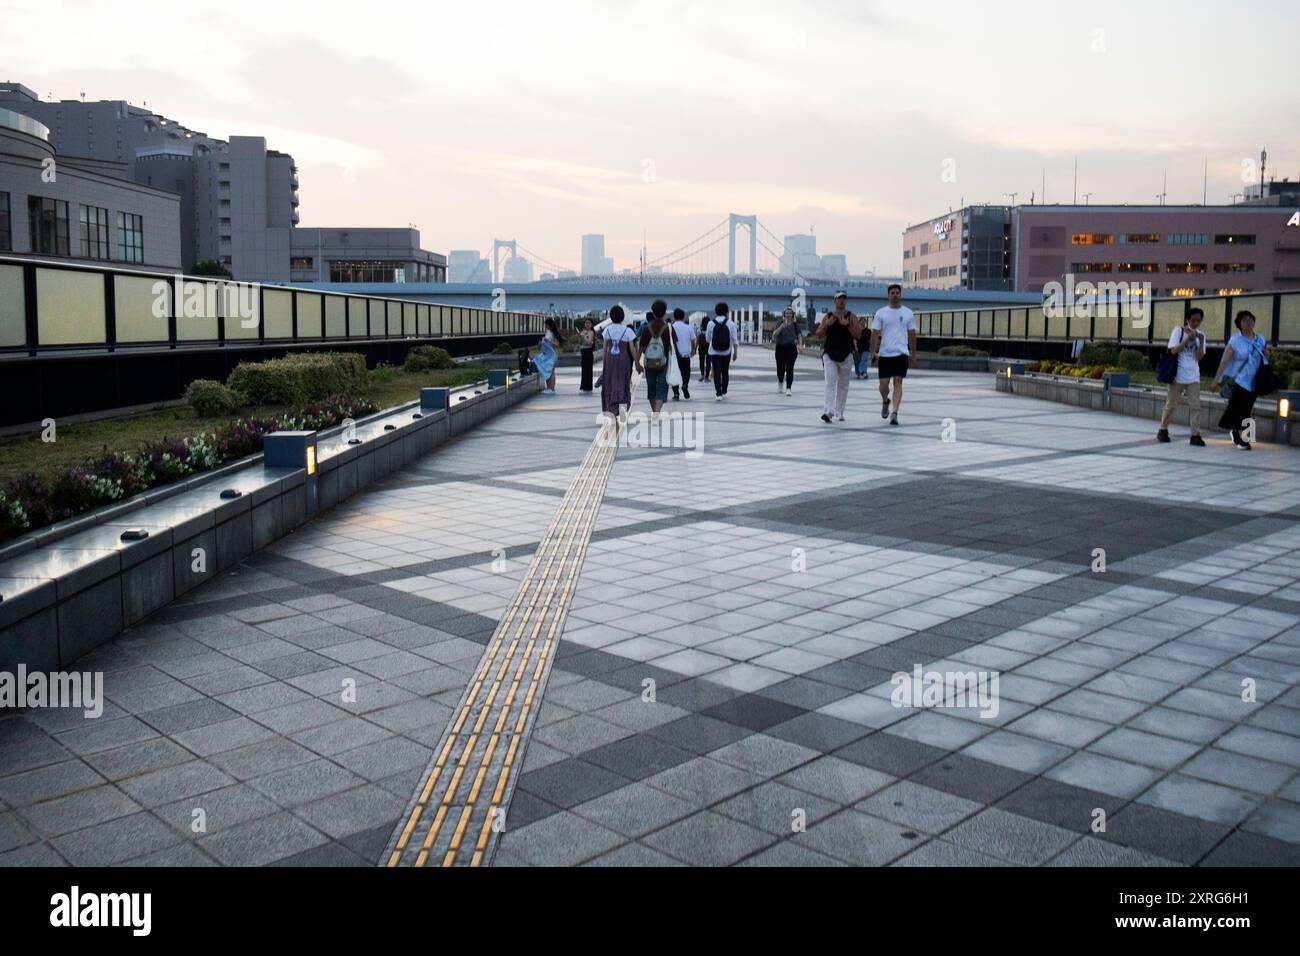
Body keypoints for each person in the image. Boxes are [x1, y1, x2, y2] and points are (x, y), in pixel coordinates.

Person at [1214, 309, 1272, 451]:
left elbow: (1266, 356)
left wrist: (1267, 353)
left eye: (1251, 319)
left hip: (1256, 381)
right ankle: (1245, 440)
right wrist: (1217, 380)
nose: (1248, 322)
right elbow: (1225, 361)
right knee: (1243, 410)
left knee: (1247, 409)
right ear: (1239, 324)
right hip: (1240, 380)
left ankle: (1236, 432)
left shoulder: (1260, 339)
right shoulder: (1235, 340)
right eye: (1245, 320)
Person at [1157, 308, 1207, 446]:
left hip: (1193, 376)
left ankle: (1195, 435)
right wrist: (1187, 338)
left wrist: (1201, 342)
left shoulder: (1201, 335)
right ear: (1187, 320)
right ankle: (1163, 429)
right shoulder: (1178, 331)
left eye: (1198, 320)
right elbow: (1173, 350)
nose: (1196, 323)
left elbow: (1199, 357)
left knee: (1195, 406)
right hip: (1177, 375)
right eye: (1193, 320)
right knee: (1171, 404)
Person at [870, 283, 917, 426]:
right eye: (892, 293)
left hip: (901, 353)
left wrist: (913, 354)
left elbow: (912, 335)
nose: (895, 295)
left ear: (900, 295)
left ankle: (894, 413)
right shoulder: (881, 313)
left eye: (897, 292)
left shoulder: (908, 313)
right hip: (885, 354)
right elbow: (875, 334)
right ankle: (885, 401)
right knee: (883, 385)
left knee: (898, 382)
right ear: (888, 295)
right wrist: (873, 351)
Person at [815, 291, 863, 423]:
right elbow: (818, 333)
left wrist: (847, 325)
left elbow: (858, 335)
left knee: (843, 385)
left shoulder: (851, 316)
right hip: (829, 354)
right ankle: (828, 411)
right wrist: (826, 324)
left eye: (844, 299)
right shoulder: (829, 316)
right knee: (830, 382)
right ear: (834, 301)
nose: (841, 301)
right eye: (839, 299)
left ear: (846, 301)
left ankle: (839, 412)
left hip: (846, 353)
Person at [637, 300, 677, 415]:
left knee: (651, 387)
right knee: (661, 387)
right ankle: (657, 413)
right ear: (664, 313)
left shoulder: (646, 328)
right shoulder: (669, 328)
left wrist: (637, 363)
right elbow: (673, 347)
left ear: (653, 312)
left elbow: (640, 347)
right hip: (663, 362)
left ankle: (654, 412)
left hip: (649, 363)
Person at [600, 305, 638, 420]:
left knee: (610, 384)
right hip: (623, 362)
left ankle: (610, 409)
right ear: (622, 317)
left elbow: (605, 349)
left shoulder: (607, 330)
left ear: (611, 317)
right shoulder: (628, 331)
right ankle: (622, 409)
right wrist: (637, 362)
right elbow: (632, 349)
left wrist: (604, 365)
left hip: (610, 361)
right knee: (623, 383)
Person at [706, 302, 739, 400]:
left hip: (714, 352)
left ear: (716, 311)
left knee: (716, 372)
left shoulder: (711, 323)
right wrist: (735, 352)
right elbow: (734, 339)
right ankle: (724, 390)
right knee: (725, 371)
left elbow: (708, 339)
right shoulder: (730, 323)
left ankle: (718, 393)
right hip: (726, 352)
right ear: (726, 311)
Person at [772, 307, 802, 396]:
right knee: (780, 368)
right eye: (787, 313)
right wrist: (782, 326)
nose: (788, 315)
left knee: (790, 368)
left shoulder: (795, 325)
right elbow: (774, 334)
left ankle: (788, 388)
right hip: (780, 348)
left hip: (791, 348)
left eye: (790, 313)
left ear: (792, 315)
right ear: (784, 314)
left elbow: (799, 336)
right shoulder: (779, 323)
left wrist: (800, 345)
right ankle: (780, 382)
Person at [670, 307, 696, 401]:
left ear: (674, 316)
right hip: (685, 355)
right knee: (686, 373)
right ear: (683, 316)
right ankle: (685, 385)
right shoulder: (688, 327)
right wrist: (693, 350)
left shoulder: (671, 327)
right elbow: (693, 340)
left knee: (675, 374)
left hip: (674, 356)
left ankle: (676, 393)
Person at [534, 317, 563, 395]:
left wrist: (549, 341)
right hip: (548, 354)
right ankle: (549, 388)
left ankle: (551, 388)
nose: (545, 326)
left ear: (549, 325)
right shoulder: (548, 332)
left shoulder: (552, 333)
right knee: (549, 371)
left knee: (551, 372)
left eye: (546, 324)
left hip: (552, 354)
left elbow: (558, 344)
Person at [577, 318, 596, 394]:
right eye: (586, 323)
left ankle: (588, 386)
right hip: (583, 351)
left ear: (591, 325)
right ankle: (583, 386)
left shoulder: (591, 332)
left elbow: (589, 342)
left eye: (589, 323)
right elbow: (580, 343)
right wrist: (580, 336)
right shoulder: (583, 332)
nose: (587, 324)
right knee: (584, 369)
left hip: (588, 352)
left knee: (588, 370)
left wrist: (584, 336)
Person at [698, 314, 713, 383]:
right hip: (708, 346)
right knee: (708, 361)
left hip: (701, 346)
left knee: (701, 360)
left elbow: (697, 339)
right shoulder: (711, 328)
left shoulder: (700, 329)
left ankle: (702, 375)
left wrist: (695, 348)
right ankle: (707, 376)